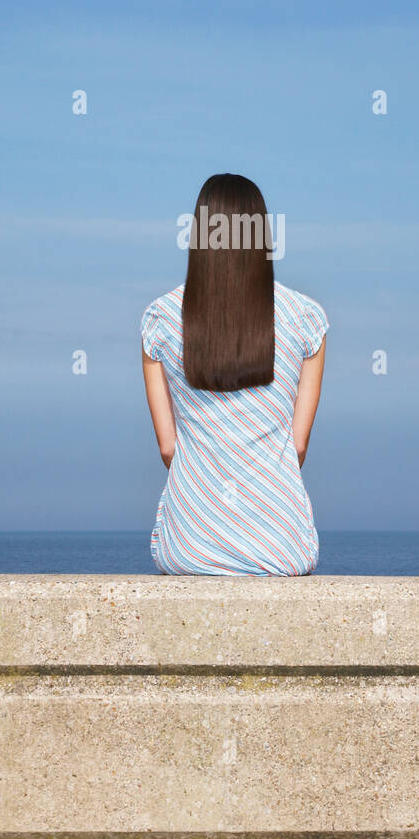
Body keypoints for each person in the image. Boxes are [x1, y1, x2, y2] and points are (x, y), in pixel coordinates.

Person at [140, 173, 327, 575]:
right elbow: (296, 447)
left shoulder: (160, 319)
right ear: (262, 235)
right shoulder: (306, 319)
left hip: (191, 546)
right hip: (280, 545)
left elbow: (169, 450)